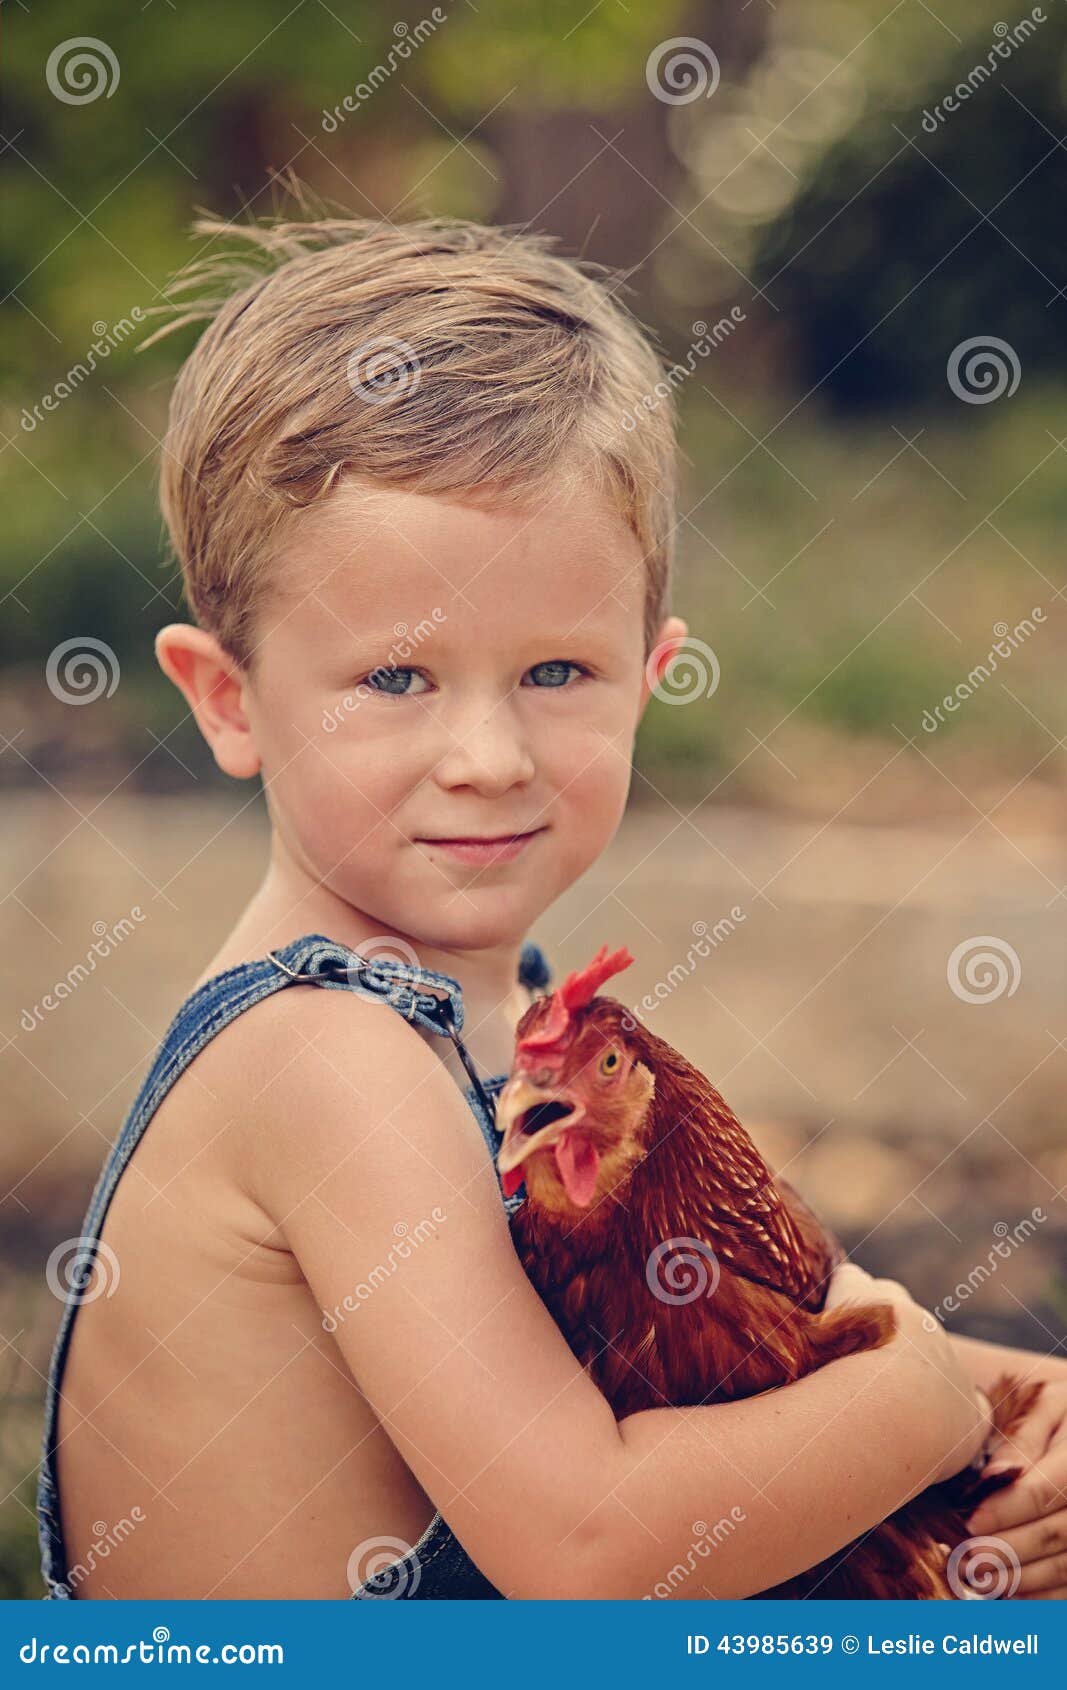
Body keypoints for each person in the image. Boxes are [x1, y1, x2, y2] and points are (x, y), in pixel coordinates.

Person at [37, 199, 1067, 1601]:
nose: (488, 757)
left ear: (650, 677)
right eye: (397, 679)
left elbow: (741, 1337)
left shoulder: (514, 1025)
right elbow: (587, 1553)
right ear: (229, 700)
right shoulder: (328, 1060)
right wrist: (924, 1404)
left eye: (558, 674)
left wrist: (1016, 1410)